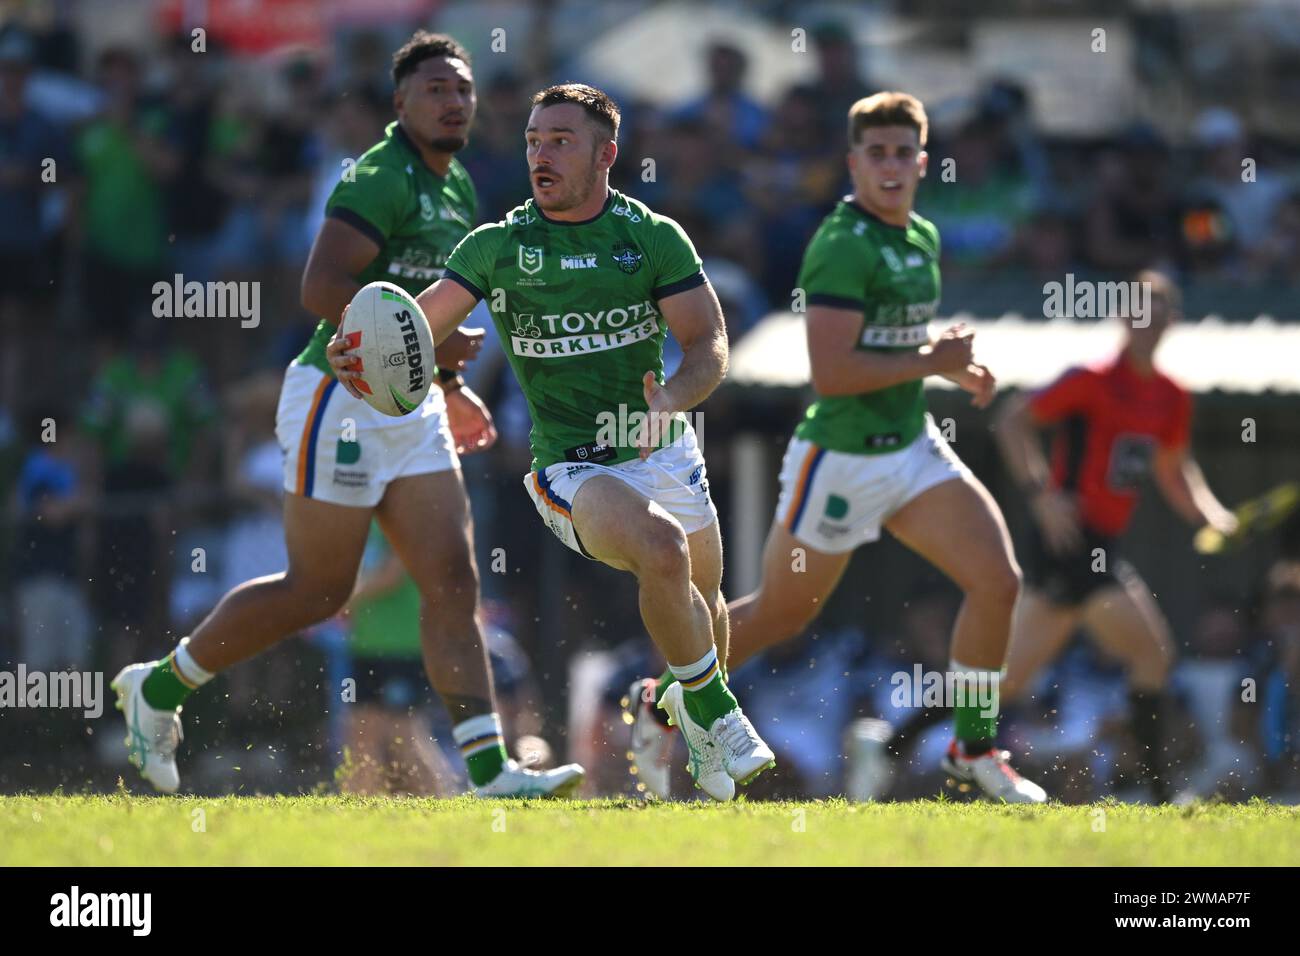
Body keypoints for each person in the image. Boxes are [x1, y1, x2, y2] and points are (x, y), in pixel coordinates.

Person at [111, 32, 582, 799]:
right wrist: (428, 346)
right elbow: (322, 286)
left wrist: (451, 385)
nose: (453, 100)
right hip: (343, 399)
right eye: (434, 89)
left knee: (454, 582)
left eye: (461, 89)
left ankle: (492, 773)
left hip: (414, 402)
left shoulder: (458, 185)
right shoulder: (379, 176)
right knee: (317, 591)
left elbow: (417, 314)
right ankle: (159, 689)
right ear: (400, 104)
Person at [329, 83, 774, 802]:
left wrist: (671, 397)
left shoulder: (651, 237)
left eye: (561, 140)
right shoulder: (497, 247)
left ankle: (663, 715)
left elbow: (709, 345)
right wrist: (356, 350)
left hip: (659, 445)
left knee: (706, 606)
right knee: (661, 552)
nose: (541, 153)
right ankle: (719, 711)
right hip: (571, 465)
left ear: (606, 154)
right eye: (534, 139)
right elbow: (417, 323)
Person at [627, 92, 1047, 803]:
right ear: (853, 162)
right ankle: (662, 696)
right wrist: (933, 362)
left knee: (998, 580)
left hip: (910, 446)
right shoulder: (842, 243)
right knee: (780, 615)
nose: (890, 165)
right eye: (875, 153)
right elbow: (835, 371)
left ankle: (972, 748)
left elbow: (896, 348)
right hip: (842, 458)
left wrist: (950, 367)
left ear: (922, 162)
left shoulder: (921, 237)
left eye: (902, 152)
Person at [994, 269, 1237, 802]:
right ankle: (1161, 794)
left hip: (1103, 542)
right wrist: (1042, 496)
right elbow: (1012, 421)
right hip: (1072, 542)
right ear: (1123, 318)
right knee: (1151, 654)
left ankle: (897, 740)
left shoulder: (1171, 396)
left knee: (1007, 680)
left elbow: (1176, 470)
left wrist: (1212, 514)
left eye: (1160, 312)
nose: (1149, 323)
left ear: (1173, 320)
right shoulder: (1091, 379)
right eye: (1139, 312)